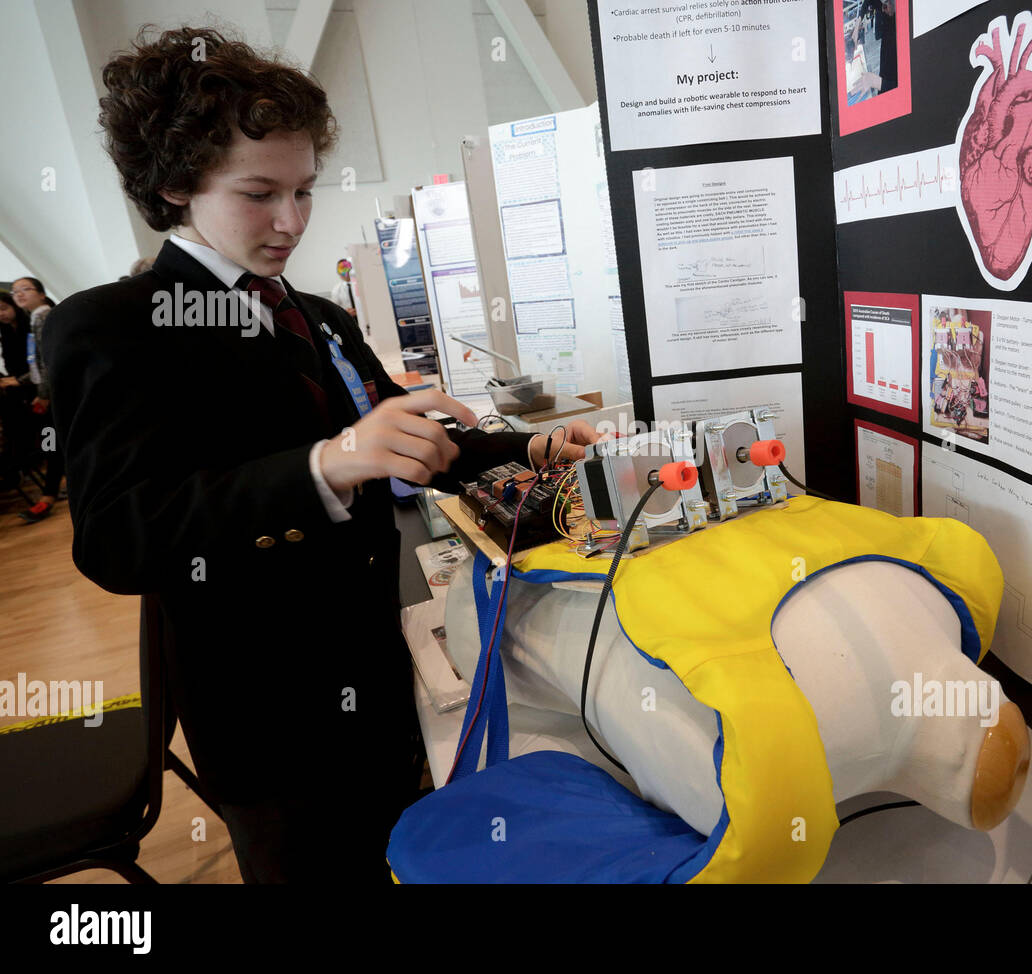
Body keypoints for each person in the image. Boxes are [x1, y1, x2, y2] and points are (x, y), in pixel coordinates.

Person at [43, 25, 599, 883]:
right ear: (175, 184)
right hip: (268, 716)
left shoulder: (316, 314)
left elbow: (405, 443)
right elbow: (118, 536)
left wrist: (535, 444)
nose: (292, 221)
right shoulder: (113, 326)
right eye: (260, 193)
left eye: (303, 191)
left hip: (378, 673)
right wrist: (325, 466)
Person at [10, 277, 62, 521]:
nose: (18, 294)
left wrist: (43, 395)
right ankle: (52, 492)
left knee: (51, 443)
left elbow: (48, 360)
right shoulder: (36, 316)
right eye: (14, 291)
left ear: (41, 294)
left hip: (53, 395)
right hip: (49, 392)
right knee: (53, 443)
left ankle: (48, 497)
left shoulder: (42, 315)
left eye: (25, 289)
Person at [0, 291, 34, 490]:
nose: (1, 314)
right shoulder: (5, 332)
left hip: (35, 387)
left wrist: (18, 381)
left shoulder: (30, 325)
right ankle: (15, 465)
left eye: (4, 309)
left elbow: (39, 365)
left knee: (49, 434)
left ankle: (18, 464)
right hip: (18, 386)